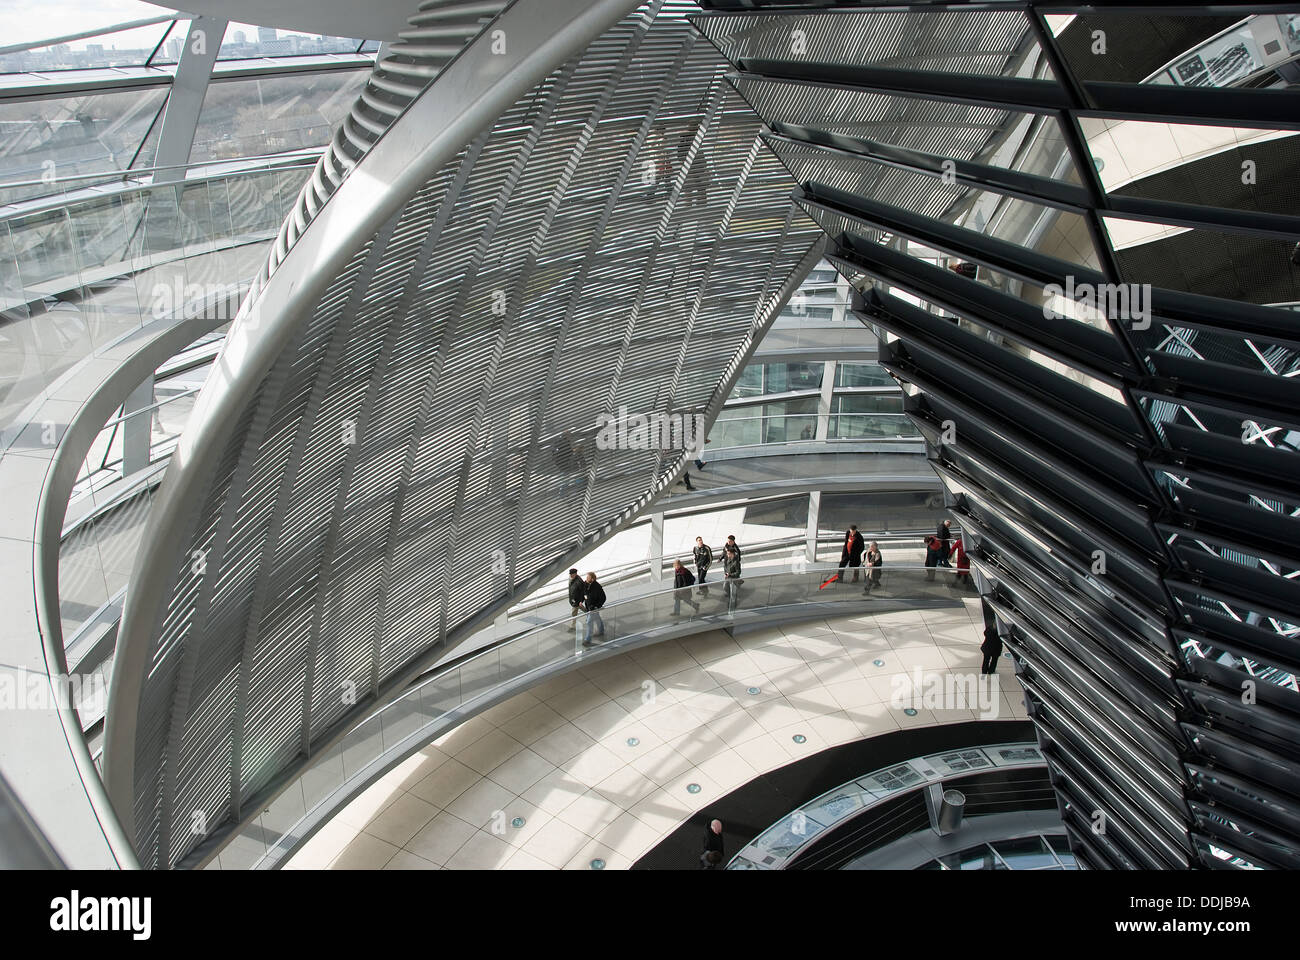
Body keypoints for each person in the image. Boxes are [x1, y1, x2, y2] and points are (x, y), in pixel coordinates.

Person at [581, 572, 607, 647]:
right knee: (597, 618)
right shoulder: (586, 585)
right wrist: (582, 601)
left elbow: (603, 598)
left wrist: (597, 606)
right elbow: (585, 594)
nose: (586, 579)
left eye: (588, 577)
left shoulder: (597, 587)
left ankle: (587, 639)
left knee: (589, 622)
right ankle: (601, 631)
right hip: (589, 607)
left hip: (593, 608)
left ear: (592, 579)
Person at [722, 546, 742, 614]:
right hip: (728, 577)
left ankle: (733, 604)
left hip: (734, 579)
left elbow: (738, 572)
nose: (727, 555)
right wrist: (726, 573)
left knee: (734, 592)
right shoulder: (727, 559)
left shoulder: (736, 562)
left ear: (732, 554)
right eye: (727, 553)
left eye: (728, 553)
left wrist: (730, 575)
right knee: (725, 587)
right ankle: (730, 597)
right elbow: (725, 567)